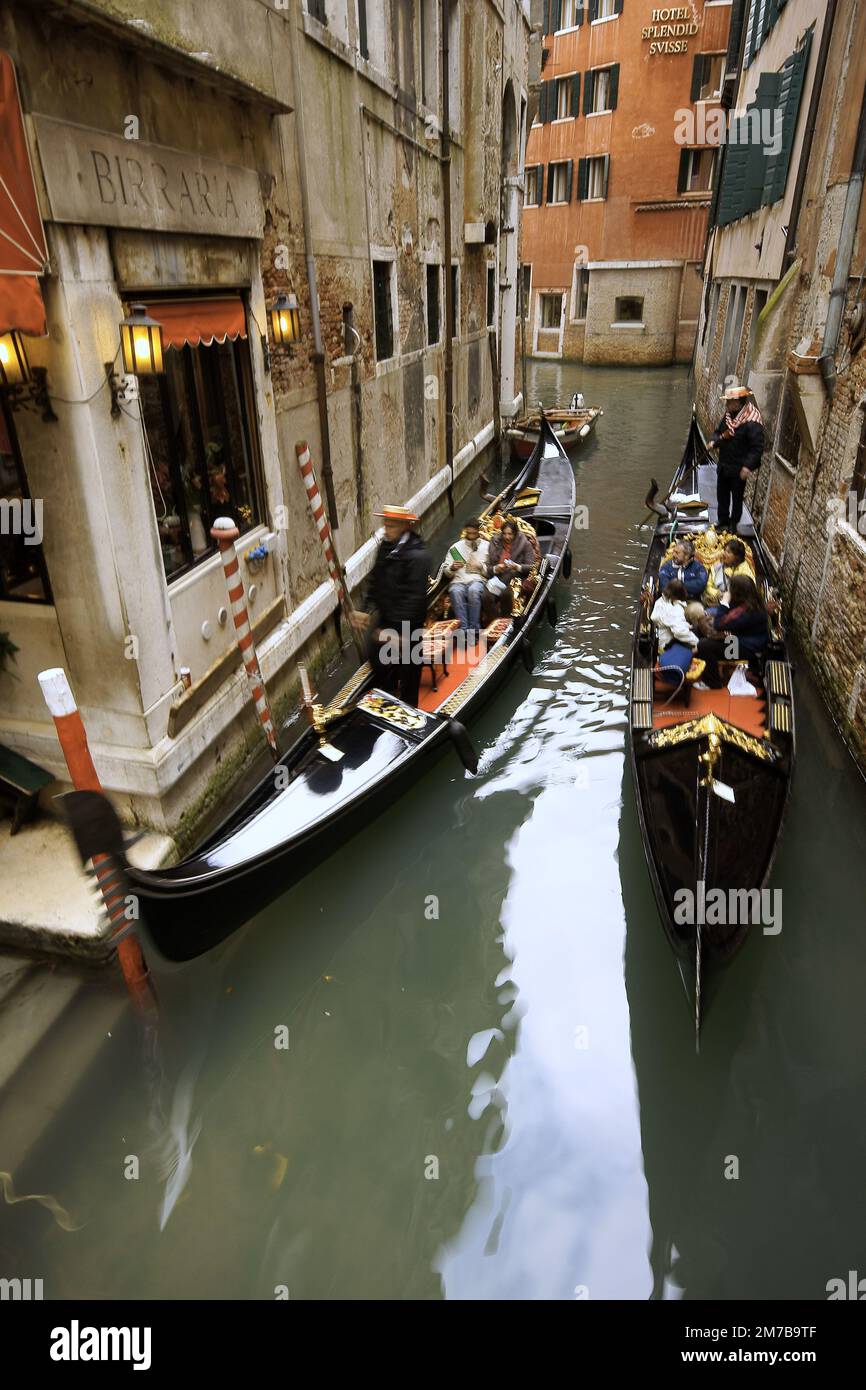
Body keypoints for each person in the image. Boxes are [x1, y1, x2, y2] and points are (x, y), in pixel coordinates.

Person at [351, 505, 431, 706]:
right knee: (375, 656)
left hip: (409, 626)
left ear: (405, 526)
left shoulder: (418, 556)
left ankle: (409, 710)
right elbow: (375, 580)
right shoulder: (385, 547)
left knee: (409, 670)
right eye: (386, 524)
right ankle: (387, 695)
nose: (387, 529)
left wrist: (396, 633)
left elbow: (416, 599)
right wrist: (365, 609)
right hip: (387, 617)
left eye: (391, 525)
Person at [708, 385, 764, 533]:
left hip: (739, 469)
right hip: (725, 465)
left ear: (738, 403)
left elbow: (757, 448)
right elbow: (718, 432)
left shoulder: (752, 421)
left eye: (729, 402)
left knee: (737, 499)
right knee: (722, 496)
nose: (726, 405)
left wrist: (747, 466)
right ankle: (722, 522)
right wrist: (713, 441)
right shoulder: (729, 416)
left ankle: (733, 525)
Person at [696, 574, 769, 688]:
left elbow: (719, 624)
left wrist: (724, 603)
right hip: (744, 641)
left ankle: (712, 682)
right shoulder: (751, 602)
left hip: (746, 649)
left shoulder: (747, 611)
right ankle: (708, 670)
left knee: (704, 645)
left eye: (730, 588)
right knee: (700, 631)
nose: (728, 591)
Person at [650, 578, 699, 685]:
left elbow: (669, 622)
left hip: (660, 641)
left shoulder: (660, 601)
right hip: (668, 645)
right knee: (699, 640)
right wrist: (696, 642)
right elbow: (680, 632)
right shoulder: (675, 609)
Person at [446, 517, 489, 635]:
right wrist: (452, 567)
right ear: (465, 531)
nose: (471, 536)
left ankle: (474, 630)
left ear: (478, 532)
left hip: (477, 580)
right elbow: (447, 572)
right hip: (458, 581)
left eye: (473, 533)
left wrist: (480, 567)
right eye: (468, 533)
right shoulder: (455, 548)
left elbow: (491, 571)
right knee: (455, 591)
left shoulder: (487, 546)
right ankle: (464, 630)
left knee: (473, 591)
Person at [486, 518, 536, 615]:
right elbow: (489, 567)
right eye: (504, 534)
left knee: (506, 594)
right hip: (497, 578)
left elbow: (531, 567)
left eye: (510, 534)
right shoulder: (495, 542)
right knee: (485, 596)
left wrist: (516, 566)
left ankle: (507, 621)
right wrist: (496, 568)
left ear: (515, 534)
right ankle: (495, 622)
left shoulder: (525, 544)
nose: (507, 537)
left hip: (516, 578)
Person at [702, 537, 753, 606]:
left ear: (737, 557)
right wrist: (717, 593)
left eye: (728, 552)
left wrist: (729, 596)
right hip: (717, 601)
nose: (723, 554)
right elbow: (708, 586)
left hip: (737, 605)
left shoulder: (745, 570)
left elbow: (747, 592)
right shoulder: (717, 567)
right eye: (724, 550)